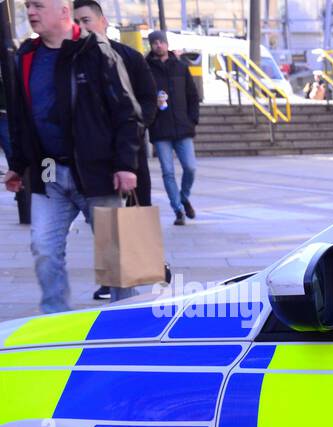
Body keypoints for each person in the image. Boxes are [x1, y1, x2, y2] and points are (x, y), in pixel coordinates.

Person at [2, 0, 141, 315]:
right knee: (45, 249)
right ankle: (55, 318)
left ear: (64, 11)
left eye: (38, 5)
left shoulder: (97, 53)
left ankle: (125, 318)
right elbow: (24, 116)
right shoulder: (27, 56)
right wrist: (18, 165)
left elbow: (127, 113)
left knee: (116, 254)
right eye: (27, 6)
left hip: (96, 172)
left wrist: (125, 164)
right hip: (49, 172)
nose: (31, 12)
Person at [72, 0, 157, 300]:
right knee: (103, 221)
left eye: (86, 20)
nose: (81, 27)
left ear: (103, 21)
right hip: (92, 155)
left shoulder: (129, 57)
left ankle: (136, 273)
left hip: (129, 148)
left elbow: (148, 100)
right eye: (76, 21)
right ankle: (115, 280)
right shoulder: (74, 60)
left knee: (132, 214)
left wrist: (136, 126)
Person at [145, 30, 199, 227]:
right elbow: (142, 96)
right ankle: (178, 209)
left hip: (183, 127)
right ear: (151, 46)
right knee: (167, 172)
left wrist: (192, 119)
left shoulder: (181, 67)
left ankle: (184, 198)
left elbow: (193, 96)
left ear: (167, 44)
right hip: (160, 130)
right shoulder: (146, 68)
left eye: (161, 42)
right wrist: (153, 110)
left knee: (190, 168)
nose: (158, 45)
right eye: (155, 43)